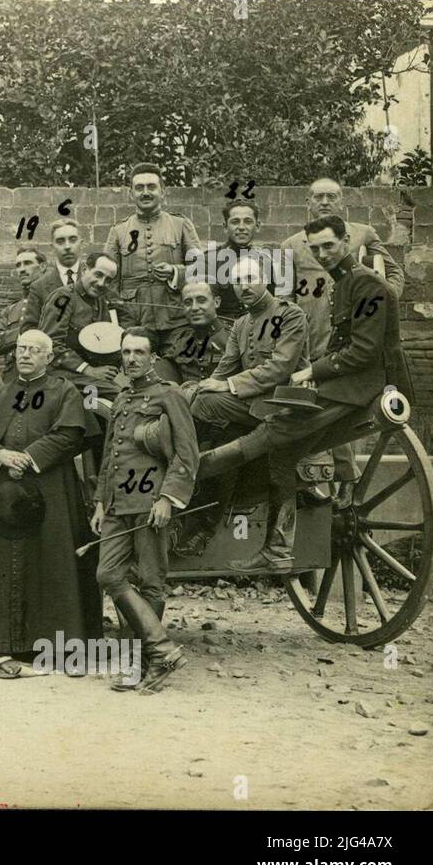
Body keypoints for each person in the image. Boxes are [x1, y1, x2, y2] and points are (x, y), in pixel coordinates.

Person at [199, 215, 399, 573]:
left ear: (347, 241)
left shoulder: (368, 285)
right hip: (344, 381)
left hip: (361, 386)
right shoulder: (342, 284)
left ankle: (209, 465)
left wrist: (312, 371)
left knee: (280, 425)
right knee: (285, 446)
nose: (323, 254)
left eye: (330, 246)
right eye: (316, 248)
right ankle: (279, 547)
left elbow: (365, 352)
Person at [0, 330, 101, 658]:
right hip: (3, 493)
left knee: (52, 561)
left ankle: (55, 645)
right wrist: (0, 455)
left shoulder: (64, 390)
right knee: (3, 561)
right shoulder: (1, 392)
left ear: (49, 358)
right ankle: (7, 645)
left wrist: (28, 458)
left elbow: (72, 433)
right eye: (21, 349)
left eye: (34, 350)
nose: (24, 355)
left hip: (51, 487)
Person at [280, 178, 405, 507]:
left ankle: (347, 479)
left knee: (340, 415)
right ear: (307, 202)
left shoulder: (363, 234)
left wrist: (379, 307)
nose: (324, 202)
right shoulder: (293, 244)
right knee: (308, 407)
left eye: (331, 196)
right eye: (317, 197)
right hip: (310, 333)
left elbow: (392, 276)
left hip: (350, 334)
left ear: (342, 200)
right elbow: (284, 295)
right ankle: (308, 479)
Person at [174, 258, 309, 559]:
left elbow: (281, 366)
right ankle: (194, 483)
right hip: (249, 410)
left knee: (207, 404)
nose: (244, 285)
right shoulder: (242, 324)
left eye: (250, 278)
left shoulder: (290, 314)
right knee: (198, 402)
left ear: (265, 280)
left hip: (282, 406)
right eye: (238, 281)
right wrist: (202, 385)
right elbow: (225, 367)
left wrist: (228, 386)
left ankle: (183, 461)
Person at [92, 326, 197, 693]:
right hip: (118, 505)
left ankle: (140, 665)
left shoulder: (170, 395)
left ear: (153, 358)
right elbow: (110, 455)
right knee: (108, 575)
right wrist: (101, 501)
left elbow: (187, 454)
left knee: (151, 583)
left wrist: (168, 498)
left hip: (151, 505)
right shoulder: (121, 398)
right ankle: (162, 649)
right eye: (126, 352)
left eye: (139, 353)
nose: (132, 359)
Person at [102, 163, 202, 358]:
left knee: (186, 365)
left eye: (151, 187)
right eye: (139, 188)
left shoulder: (180, 224)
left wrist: (175, 272)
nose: (145, 193)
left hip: (177, 321)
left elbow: (201, 269)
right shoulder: (118, 231)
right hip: (135, 322)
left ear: (163, 192)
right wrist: (122, 315)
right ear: (131, 194)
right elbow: (108, 278)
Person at [35, 252, 122, 397]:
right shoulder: (64, 298)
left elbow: (105, 342)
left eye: (108, 280)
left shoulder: (100, 300)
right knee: (119, 394)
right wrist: (88, 369)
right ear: (84, 270)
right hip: (58, 372)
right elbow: (51, 343)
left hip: (85, 374)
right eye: (98, 275)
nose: (101, 283)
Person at [159, 282, 231, 387]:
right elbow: (165, 368)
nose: (194, 308)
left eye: (201, 300)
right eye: (188, 303)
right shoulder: (182, 340)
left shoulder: (233, 338)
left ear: (216, 302)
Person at [0, 247, 47, 371]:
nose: (22, 269)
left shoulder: (53, 303)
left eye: (28, 263)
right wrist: (28, 329)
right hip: (13, 376)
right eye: (18, 265)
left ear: (42, 267)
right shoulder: (11, 310)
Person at [21, 217, 83, 331]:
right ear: (52, 247)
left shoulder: (96, 279)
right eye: (60, 241)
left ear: (81, 243)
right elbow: (29, 328)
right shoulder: (39, 287)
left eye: (73, 239)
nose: (67, 246)